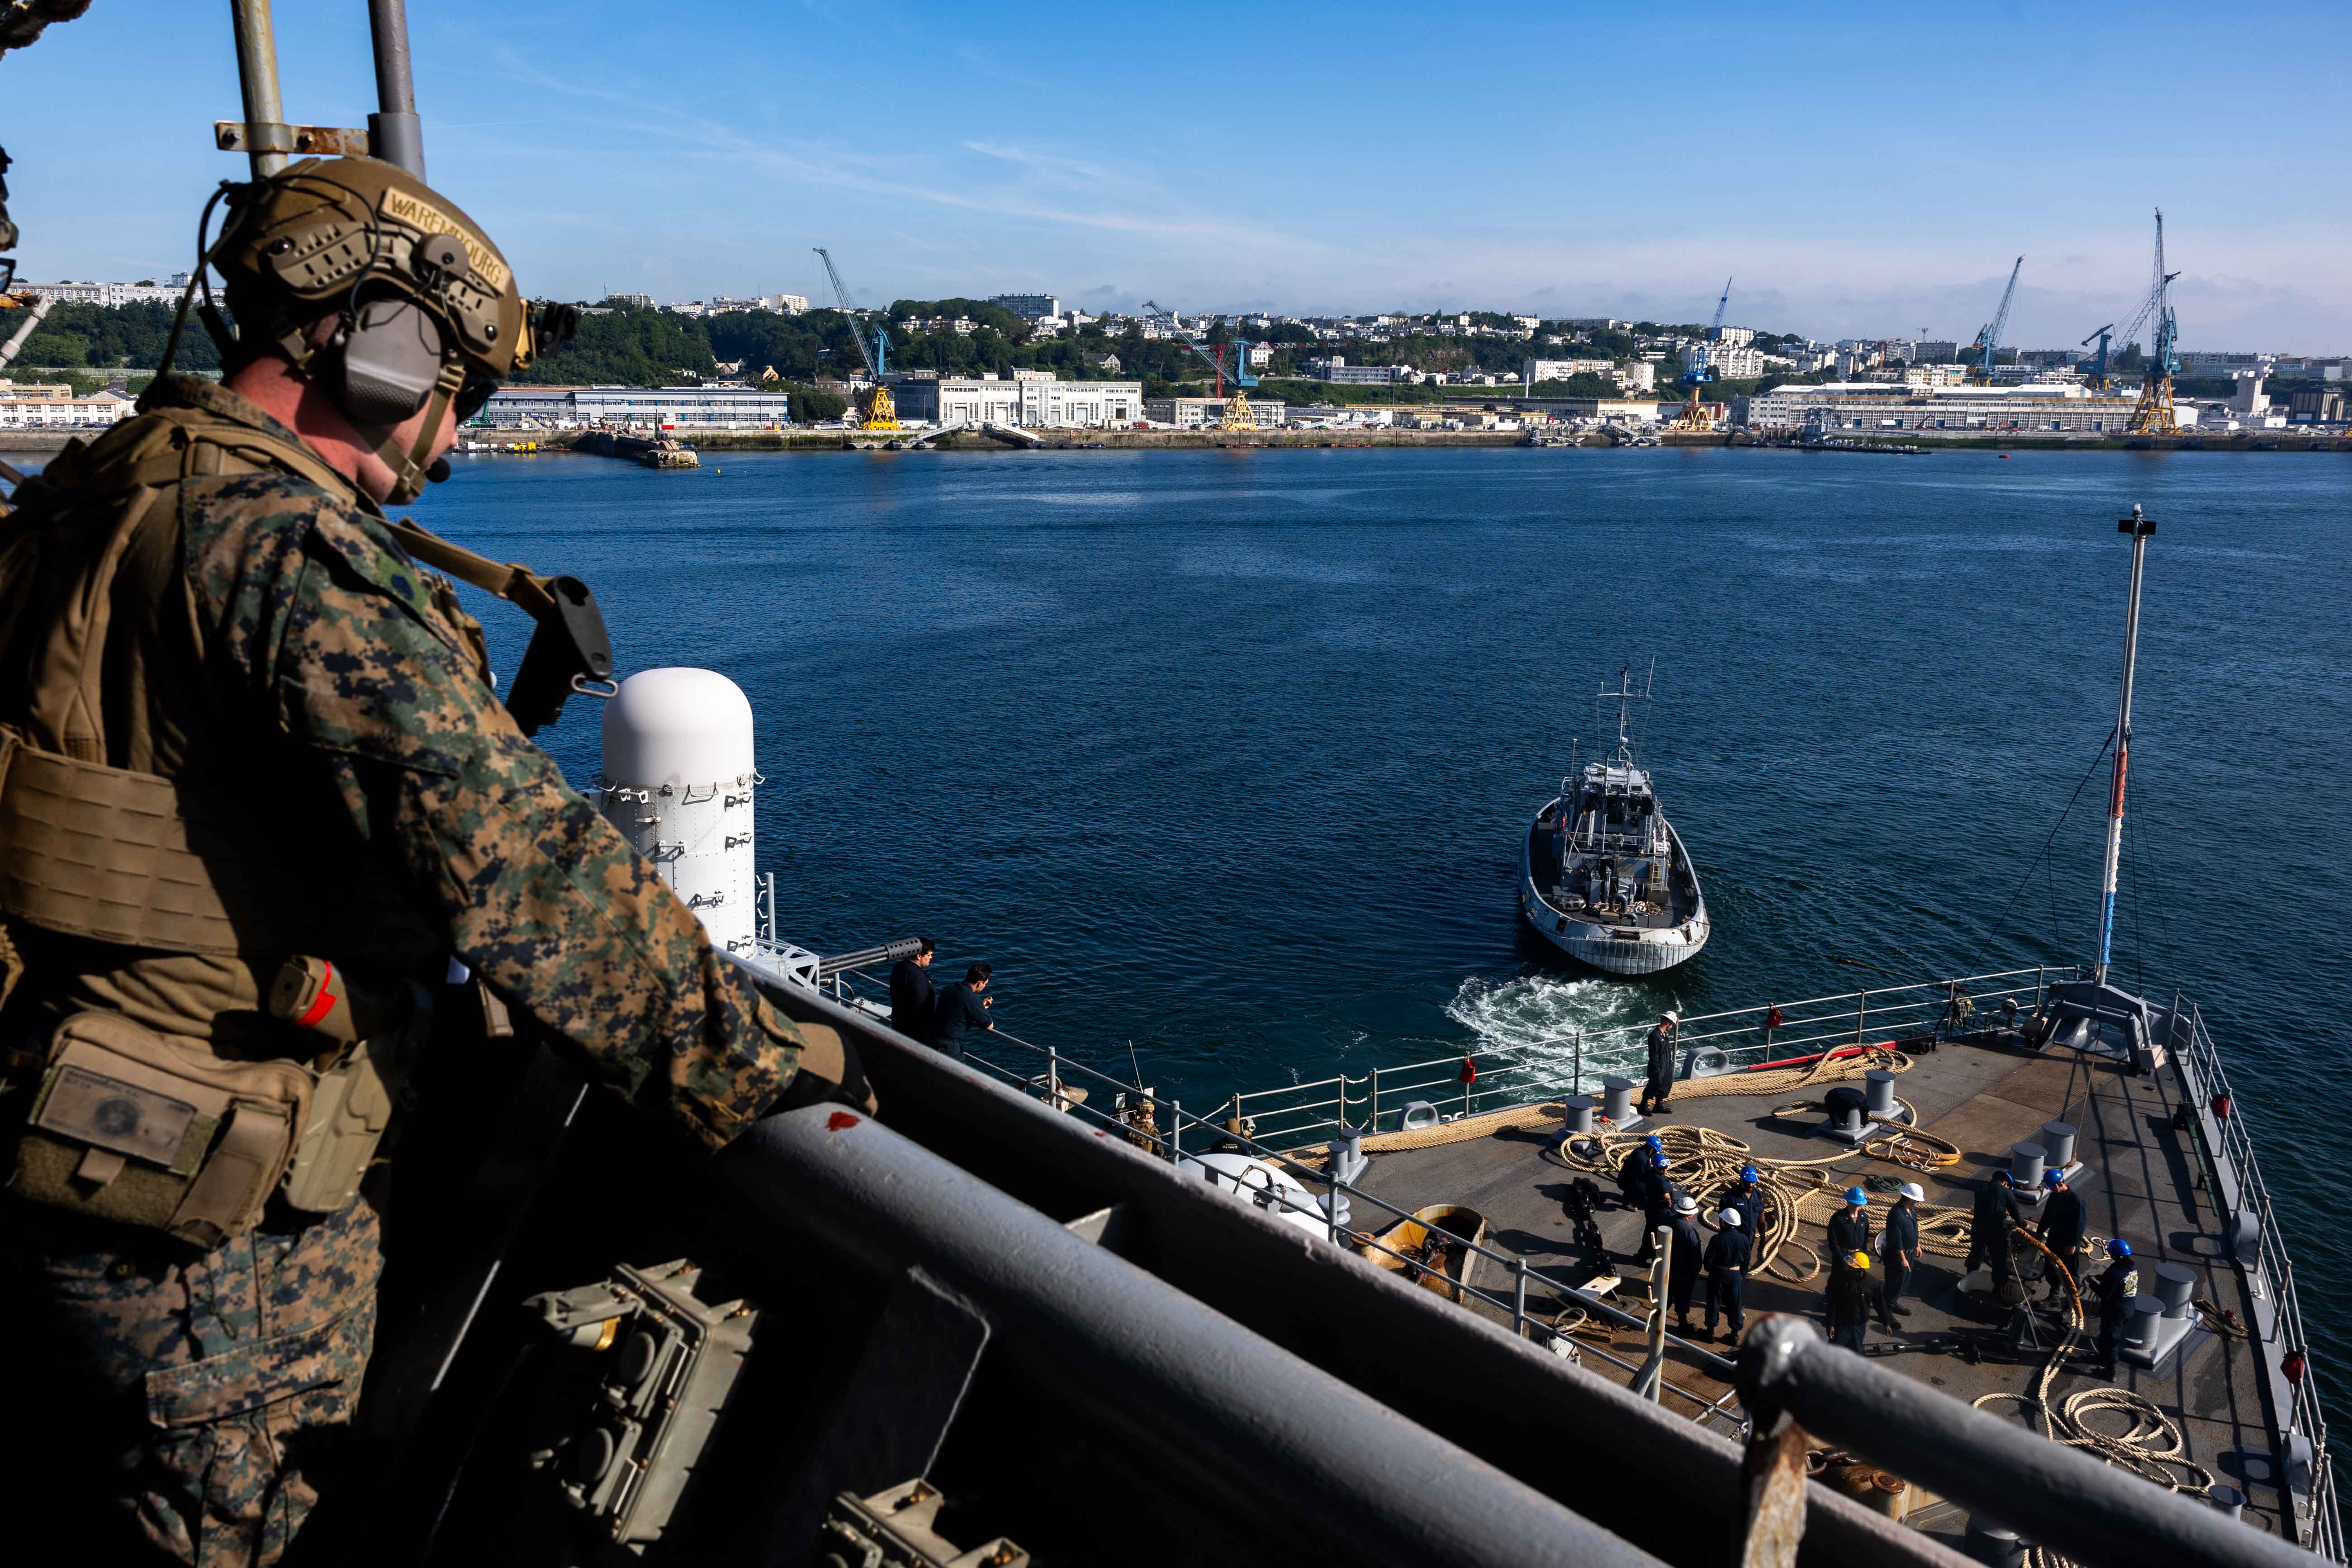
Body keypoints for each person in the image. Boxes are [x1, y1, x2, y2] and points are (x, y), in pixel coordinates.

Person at [0, 157, 856, 1567]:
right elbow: (523, 873)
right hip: (206, 1217)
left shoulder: (98, 494)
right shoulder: (284, 553)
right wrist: (768, 1066)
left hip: (63, 1135)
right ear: (384, 347)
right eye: (457, 389)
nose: (451, 439)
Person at [925, 962, 997, 1059]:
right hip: (948, 1046)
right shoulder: (972, 999)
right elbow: (989, 1026)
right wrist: (979, 1006)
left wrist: (980, 1007)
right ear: (980, 983)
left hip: (932, 1036)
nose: (984, 986)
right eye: (985, 984)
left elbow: (959, 1008)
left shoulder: (950, 987)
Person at [2090, 1238, 2140, 1374]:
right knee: (2107, 1335)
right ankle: (2102, 1359)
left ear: (2114, 1254)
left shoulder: (2114, 1272)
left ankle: (2111, 1372)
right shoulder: (2131, 1268)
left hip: (2115, 1311)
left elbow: (2104, 1294)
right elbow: (2122, 1281)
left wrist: (2092, 1284)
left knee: (2111, 1340)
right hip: (2129, 1308)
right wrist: (2104, 1278)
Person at [1704, 1207, 1753, 1342]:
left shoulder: (1717, 1239)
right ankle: (1734, 1335)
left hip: (1718, 1274)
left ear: (1724, 1222)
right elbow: (1747, 1261)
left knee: (1714, 1302)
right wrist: (1741, 1275)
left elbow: (1708, 1262)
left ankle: (1710, 1332)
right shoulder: (1744, 1240)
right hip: (1736, 1276)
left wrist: (1712, 1271)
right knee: (1735, 1304)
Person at [2037, 1170, 2087, 1300]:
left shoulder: (2076, 1201)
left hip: (2068, 1242)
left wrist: (2073, 1244)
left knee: (2070, 1274)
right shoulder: (2054, 1196)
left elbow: (2080, 1225)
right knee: (2051, 1269)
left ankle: (2071, 1303)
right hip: (2054, 1239)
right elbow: (2047, 1217)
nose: (2051, 1190)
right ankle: (2054, 1296)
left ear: (2060, 1184)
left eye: (2052, 1187)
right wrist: (2039, 1233)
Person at [1969, 1170, 2018, 1302]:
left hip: (1978, 1229)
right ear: (2006, 1183)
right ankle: (1997, 1291)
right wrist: (2023, 1225)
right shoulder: (2005, 1191)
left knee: (1976, 1253)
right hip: (1995, 1231)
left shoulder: (1981, 1189)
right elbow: (2015, 1211)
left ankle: (1970, 1280)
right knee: (1999, 1260)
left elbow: (1987, 1206)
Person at [1880, 1182, 1924, 1326]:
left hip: (1909, 1254)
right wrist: (1903, 1259)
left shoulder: (1911, 1210)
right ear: (1910, 1199)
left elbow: (1914, 1228)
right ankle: (1887, 1311)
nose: (1918, 1203)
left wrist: (1917, 1245)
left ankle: (1893, 1302)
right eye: (1916, 1200)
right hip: (1898, 1257)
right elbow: (1896, 1240)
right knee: (1894, 1283)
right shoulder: (1896, 1215)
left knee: (1903, 1282)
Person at [1666, 1193, 1705, 1333]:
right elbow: (1695, 1256)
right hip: (1683, 1273)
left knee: (1664, 1296)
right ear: (1690, 1214)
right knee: (1682, 1298)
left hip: (1666, 1268)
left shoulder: (1667, 1221)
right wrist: (1695, 1271)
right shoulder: (1690, 1232)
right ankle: (1683, 1324)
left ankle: (1657, 1320)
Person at [1827, 1250, 1876, 1353]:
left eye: (1852, 1268)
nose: (1849, 1269)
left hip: (1859, 1326)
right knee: (1834, 1351)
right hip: (1842, 1325)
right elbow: (1833, 1303)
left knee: (1855, 1350)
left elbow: (1879, 1301)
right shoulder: (1842, 1281)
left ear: (1860, 1270)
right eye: (1849, 1267)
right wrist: (1831, 1324)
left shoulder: (1871, 1283)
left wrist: (1886, 1322)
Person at [889, 938, 937, 1039]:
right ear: (919, 956)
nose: (931, 958)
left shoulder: (899, 967)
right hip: (915, 1030)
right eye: (929, 955)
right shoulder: (918, 977)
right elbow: (921, 1004)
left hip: (899, 1022)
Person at [1639, 1011, 1679, 1118]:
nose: (1672, 1027)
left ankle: (1659, 1104)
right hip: (1658, 1065)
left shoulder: (1664, 1034)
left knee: (1666, 1083)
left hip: (1666, 1063)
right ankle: (1643, 1105)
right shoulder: (1655, 1036)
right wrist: (1657, 1069)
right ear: (1668, 1023)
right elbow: (1654, 1054)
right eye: (1672, 1024)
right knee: (1654, 1084)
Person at [1826, 1185, 1872, 1265]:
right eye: (1854, 1204)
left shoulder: (1864, 1217)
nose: (1857, 1207)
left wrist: (1863, 1251)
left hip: (1859, 1255)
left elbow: (1865, 1236)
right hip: (1843, 1255)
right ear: (1848, 1201)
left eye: (1859, 1205)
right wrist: (1840, 1257)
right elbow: (1833, 1240)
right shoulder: (1838, 1218)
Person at [1720, 1164, 1765, 1239]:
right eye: (1748, 1182)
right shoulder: (1729, 1197)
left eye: (1753, 1182)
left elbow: (1761, 1216)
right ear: (1741, 1180)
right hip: (1735, 1239)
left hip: (1751, 1238)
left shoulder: (1758, 1194)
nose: (1751, 1185)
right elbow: (1723, 1220)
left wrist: (1763, 1238)